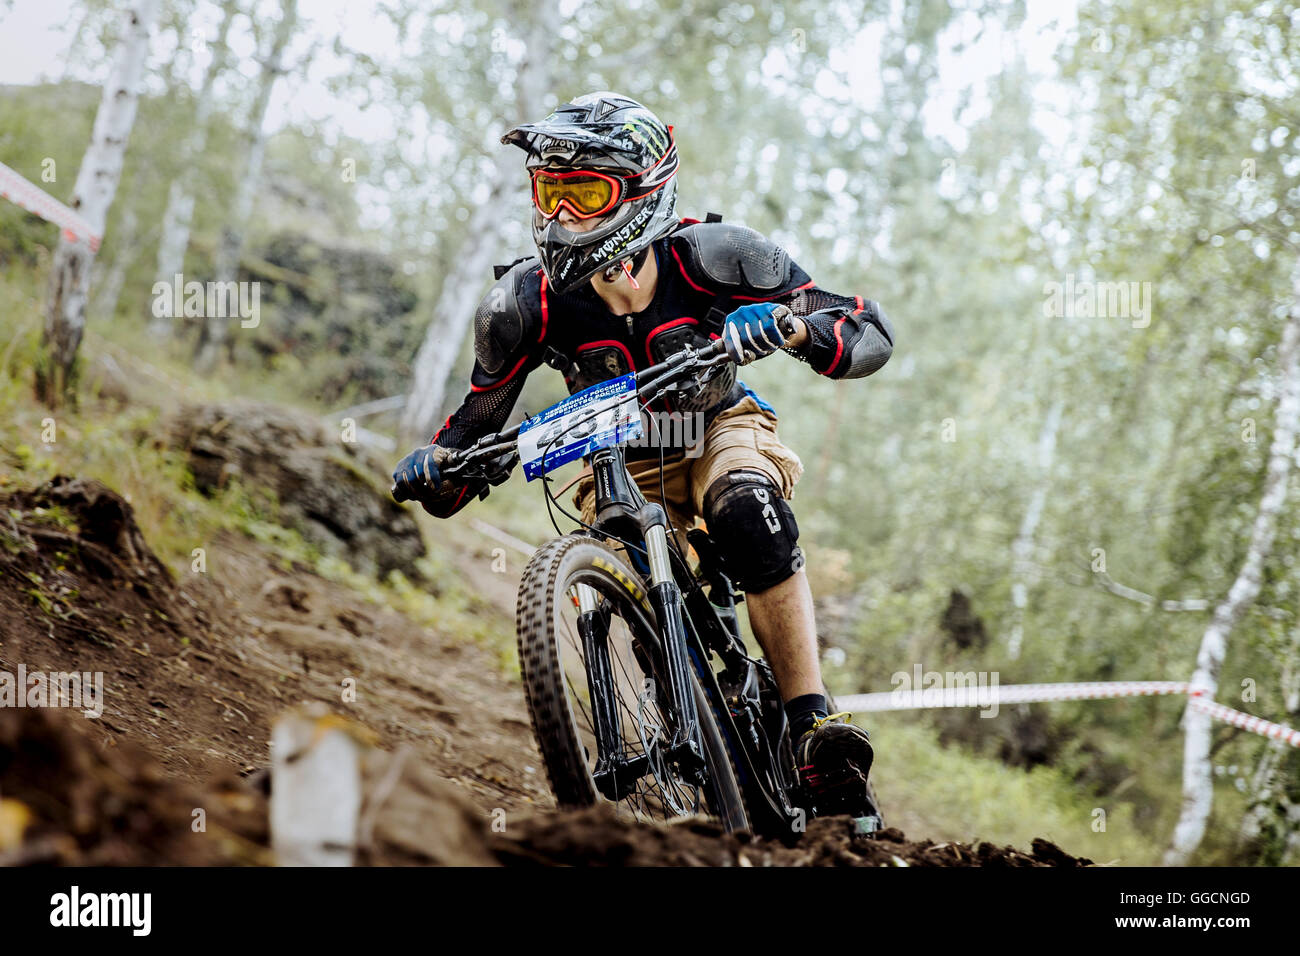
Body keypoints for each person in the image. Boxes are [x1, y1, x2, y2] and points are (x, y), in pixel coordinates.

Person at [393, 91, 894, 819]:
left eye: (586, 192)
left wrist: (788, 328)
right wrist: (437, 466)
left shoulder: (718, 257)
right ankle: (691, 717)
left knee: (748, 511)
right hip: (619, 461)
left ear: (644, 192)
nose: (560, 216)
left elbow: (864, 331)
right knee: (627, 581)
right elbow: (475, 426)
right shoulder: (521, 304)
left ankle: (811, 724)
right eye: (549, 192)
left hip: (719, 429)